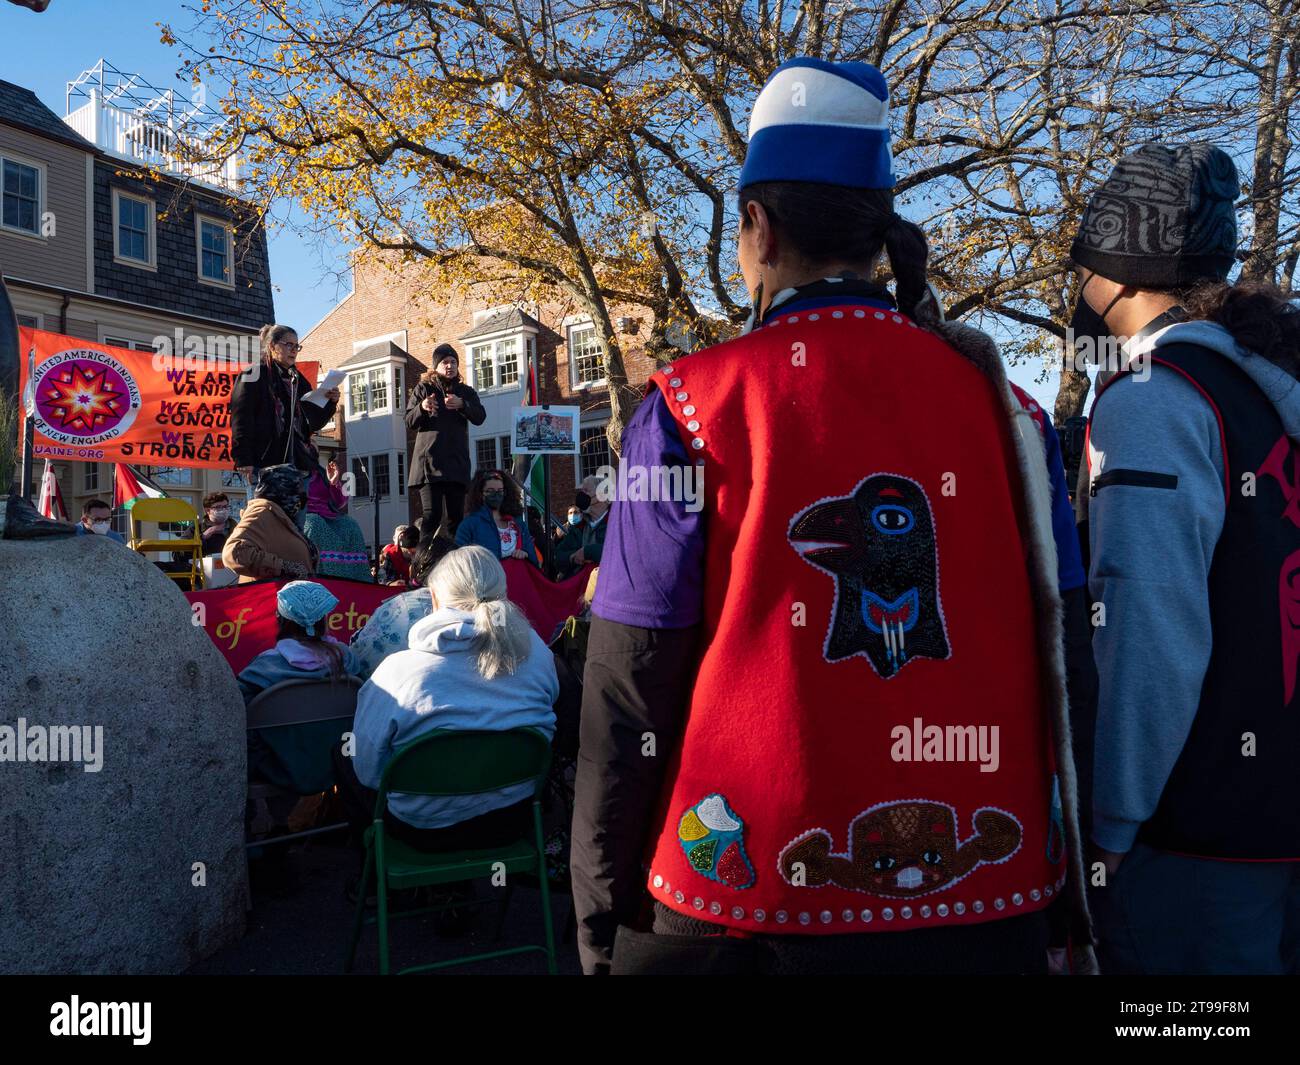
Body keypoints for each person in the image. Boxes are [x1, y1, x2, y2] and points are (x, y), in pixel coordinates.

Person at [571, 57, 1095, 976]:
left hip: (749, 911)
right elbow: (1073, 661)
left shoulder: (688, 409)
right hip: (989, 902)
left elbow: (626, 687)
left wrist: (601, 922)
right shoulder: (1011, 415)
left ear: (756, 230)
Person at [1070, 142, 1300, 975]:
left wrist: (1111, 824)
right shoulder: (1266, 388)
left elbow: (1148, 624)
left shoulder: (1152, 399)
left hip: (1189, 845)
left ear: (1121, 270)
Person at [334, 545, 558, 851]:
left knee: (342, 752)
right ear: (503, 591)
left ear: (435, 599)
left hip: (422, 832)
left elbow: (368, 771)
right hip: (514, 819)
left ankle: (373, 877)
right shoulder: (540, 657)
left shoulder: (397, 674)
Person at [229, 322, 339, 525]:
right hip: (265, 463)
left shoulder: (298, 379)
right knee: (264, 524)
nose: (294, 351)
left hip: (297, 465)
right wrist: (243, 458)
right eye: (288, 345)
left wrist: (330, 403)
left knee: (295, 526)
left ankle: (293, 558)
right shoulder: (253, 376)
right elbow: (241, 418)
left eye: (297, 346)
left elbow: (310, 421)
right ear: (272, 346)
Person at [406, 343, 485, 539]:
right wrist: (422, 407)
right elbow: (409, 421)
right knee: (432, 516)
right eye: (445, 362)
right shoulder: (423, 388)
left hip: (456, 465)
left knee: (456, 519)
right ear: (436, 366)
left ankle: (455, 561)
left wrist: (463, 405)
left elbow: (480, 417)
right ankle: (423, 563)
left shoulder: (466, 392)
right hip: (429, 464)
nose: (449, 366)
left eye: (453, 362)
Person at [348, 535, 455, 678]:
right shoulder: (470, 613)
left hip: (385, 691)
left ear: (413, 569)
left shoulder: (398, 607)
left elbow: (360, 657)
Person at [237, 580, 361, 701]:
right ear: (323, 619)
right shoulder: (346, 657)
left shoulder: (264, 666)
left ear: (280, 619)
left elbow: (236, 701)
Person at [222, 463, 317, 582]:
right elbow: (234, 553)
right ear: (282, 491)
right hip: (269, 597)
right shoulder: (262, 512)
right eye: (296, 493)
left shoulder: (280, 516)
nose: (299, 500)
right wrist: (282, 567)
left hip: (289, 597)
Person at [302, 461, 370, 581]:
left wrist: (333, 483)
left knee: (350, 524)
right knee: (314, 523)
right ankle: (318, 576)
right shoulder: (293, 473)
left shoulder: (321, 474)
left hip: (329, 515)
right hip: (305, 514)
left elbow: (340, 503)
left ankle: (358, 580)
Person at [455, 468, 536, 564]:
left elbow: (533, 560)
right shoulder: (469, 525)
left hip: (517, 576)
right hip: (487, 578)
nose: (496, 494)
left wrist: (525, 554)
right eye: (490, 491)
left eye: (500, 491)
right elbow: (459, 561)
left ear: (505, 492)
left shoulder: (518, 523)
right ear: (480, 494)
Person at [199, 492, 237, 556]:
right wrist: (203, 536)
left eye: (225, 506)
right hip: (206, 564)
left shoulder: (237, 527)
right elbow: (183, 552)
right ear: (207, 510)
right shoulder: (197, 528)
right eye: (218, 507)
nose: (223, 510)